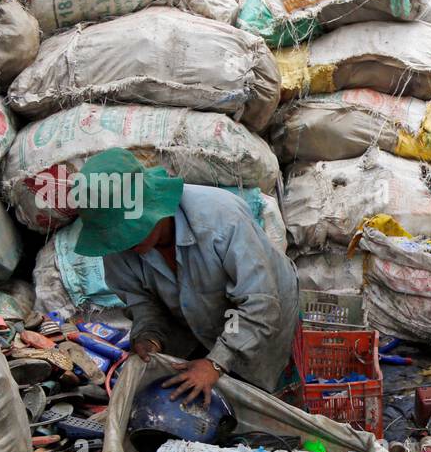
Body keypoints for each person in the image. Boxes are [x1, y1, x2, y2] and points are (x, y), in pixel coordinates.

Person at [72, 148, 301, 407]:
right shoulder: (118, 247)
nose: (123, 244)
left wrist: (216, 363)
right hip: (202, 319)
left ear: (153, 208)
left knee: (269, 402)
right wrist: (149, 335)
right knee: (206, 402)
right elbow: (142, 303)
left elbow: (259, 304)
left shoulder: (221, 221)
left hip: (265, 311)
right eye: (116, 237)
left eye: (129, 232)